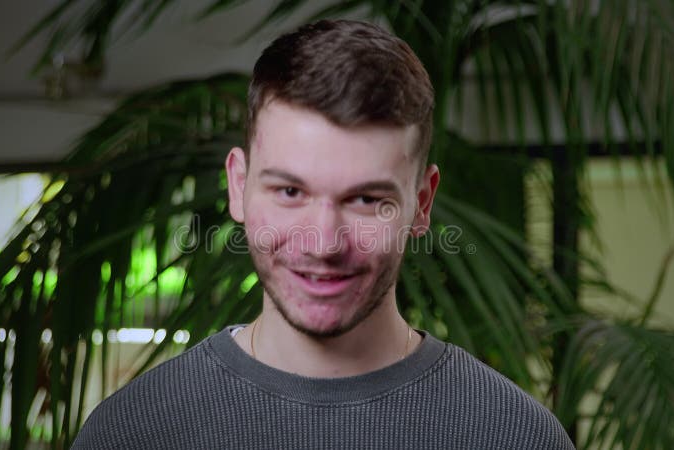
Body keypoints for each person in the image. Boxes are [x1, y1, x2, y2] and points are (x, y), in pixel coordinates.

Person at [72, 19, 575, 450]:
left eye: (364, 199)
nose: (323, 243)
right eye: (290, 191)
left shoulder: (514, 436)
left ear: (422, 204)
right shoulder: (133, 433)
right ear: (239, 186)